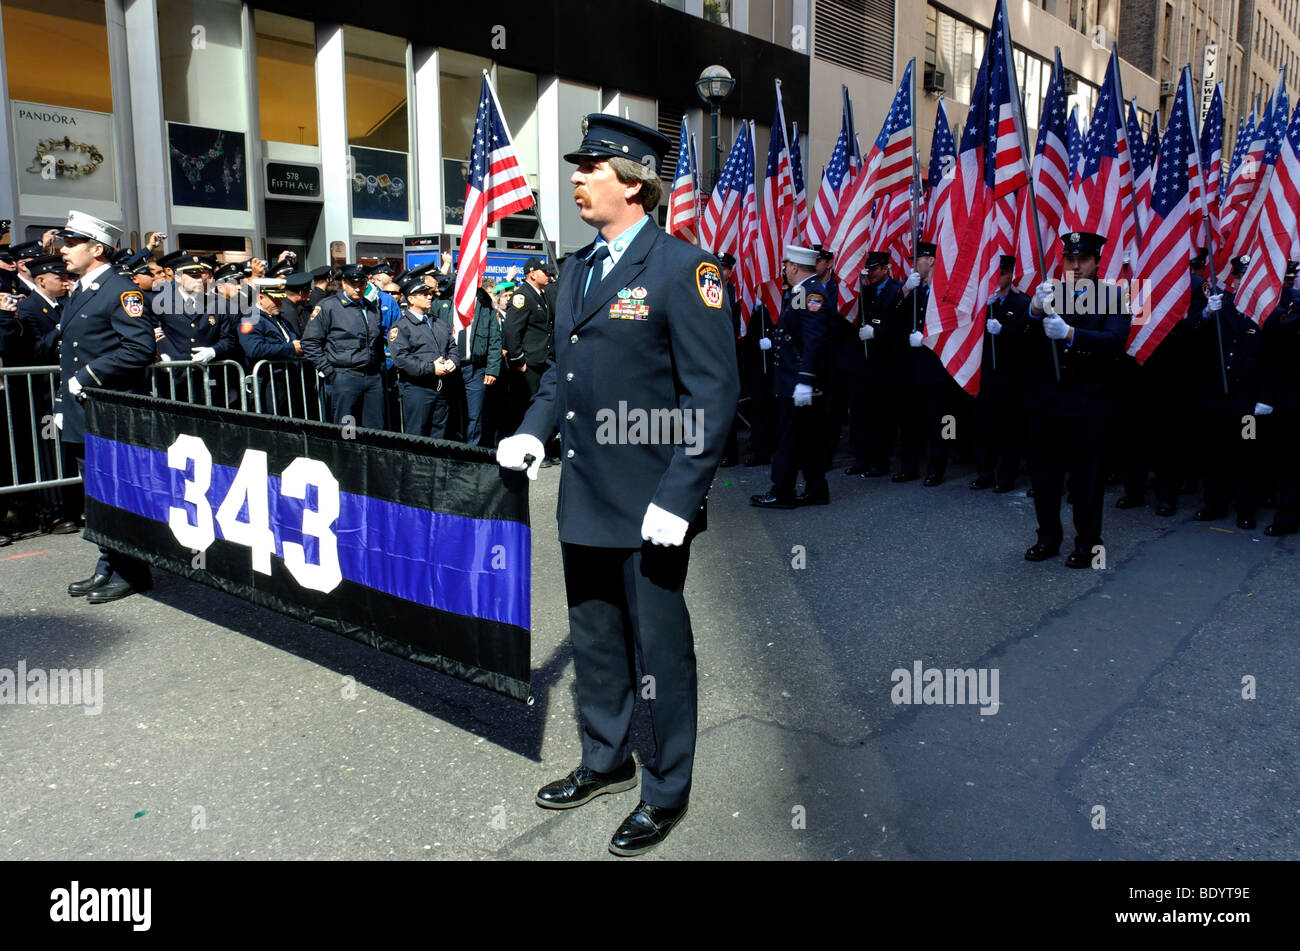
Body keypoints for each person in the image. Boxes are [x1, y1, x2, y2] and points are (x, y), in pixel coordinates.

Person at [496, 114, 738, 856]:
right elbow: (562, 377)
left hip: (651, 504)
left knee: (660, 650)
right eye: (577, 166)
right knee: (597, 640)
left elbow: (712, 394)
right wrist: (534, 429)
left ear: (632, 182)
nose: (576, 177)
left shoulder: (683, 268)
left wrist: (681, 493)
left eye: (591, 166)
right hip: (587, 496)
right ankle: (606, 758)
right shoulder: (576, 268)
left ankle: (665, 788)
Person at [55, 210, 156, 602]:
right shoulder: (81, 290)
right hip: (86, 410)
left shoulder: (120, 290)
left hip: (110, 410)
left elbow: (139, 348)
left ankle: (133, 571)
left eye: (72, 243)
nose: (63, 250)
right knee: (97, 494)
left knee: (116, 492)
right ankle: (108, 564)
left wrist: (86, 378)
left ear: (96, 249)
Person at [1023, 231, 1131, 568]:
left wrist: (1072, 334)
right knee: (1044, 476)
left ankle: (1087, 543)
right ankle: (1047, 538)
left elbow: (1115, 342)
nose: (1076, 265)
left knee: (1086, 478)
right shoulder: (1050, 292)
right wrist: (1033, 310)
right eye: (1070, 259)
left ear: (1097, 261)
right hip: (1047, 401)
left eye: (1083, 259)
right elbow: (1021, 345)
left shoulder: (1115, 296)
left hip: (1088, 402)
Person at [751, 245, 831, 508]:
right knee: (806, 437)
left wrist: (805, 380)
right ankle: (817, 488)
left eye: (787, 266)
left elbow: (814, 340)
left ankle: (782, 491)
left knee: (787, 437)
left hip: (798, 381)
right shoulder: (801, 292)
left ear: (795, 267)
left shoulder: (811, 294)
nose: (784, 270)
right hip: (791, 378)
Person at [971, 255, 1031, 492]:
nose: (998, 278)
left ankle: (1006, 476)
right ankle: (984, 472)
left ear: (1010, 274)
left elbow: (1028, 338)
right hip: (984, 374)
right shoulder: (983, 303)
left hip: (1010, 376)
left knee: (1009, 429)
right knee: (983, 426)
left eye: (1003, 273)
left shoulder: (1021, 303)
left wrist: (1004, 330)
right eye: (995, 273)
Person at [300, 263, 385, 429]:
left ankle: (370, 455)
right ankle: (348, 455)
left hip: (372, 377)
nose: (358, 289)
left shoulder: (372, 309)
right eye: (353, 285)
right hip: (345, 377)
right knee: (348, 429)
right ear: (344, 283)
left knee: (375, 430)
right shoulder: (328, 306)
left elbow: (377, 341)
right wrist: (329, 371)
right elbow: (310, 342)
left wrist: (379, 367)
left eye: (361, 285)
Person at [390, 275, 458, 437]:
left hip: (441, 388)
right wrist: (431, 368)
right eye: (424, 294)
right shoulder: (401, 327)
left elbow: (452, 347)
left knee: (439, 435)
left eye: (430, 293)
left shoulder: (438, 323)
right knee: (417, 435)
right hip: (417, 390)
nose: (430, 296)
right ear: (411, 299)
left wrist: (452, 362)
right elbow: (402, 359)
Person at [237, 278, 304, 415]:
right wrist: (291, 349)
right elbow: (254, 349)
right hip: (269, 381)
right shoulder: (251, 319)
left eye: (281, 299)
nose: (280, 304)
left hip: (286, 381)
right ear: (261, 298)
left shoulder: (279, 319)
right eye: (276, 300)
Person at [454, 276, 504, 446]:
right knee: (454, 413)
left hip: (476, 369)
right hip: (452, 368)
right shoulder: (446, 304)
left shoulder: (484, 306)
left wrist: (492, 369)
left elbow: (494, 340)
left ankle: (470, 451)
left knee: (474, 415)